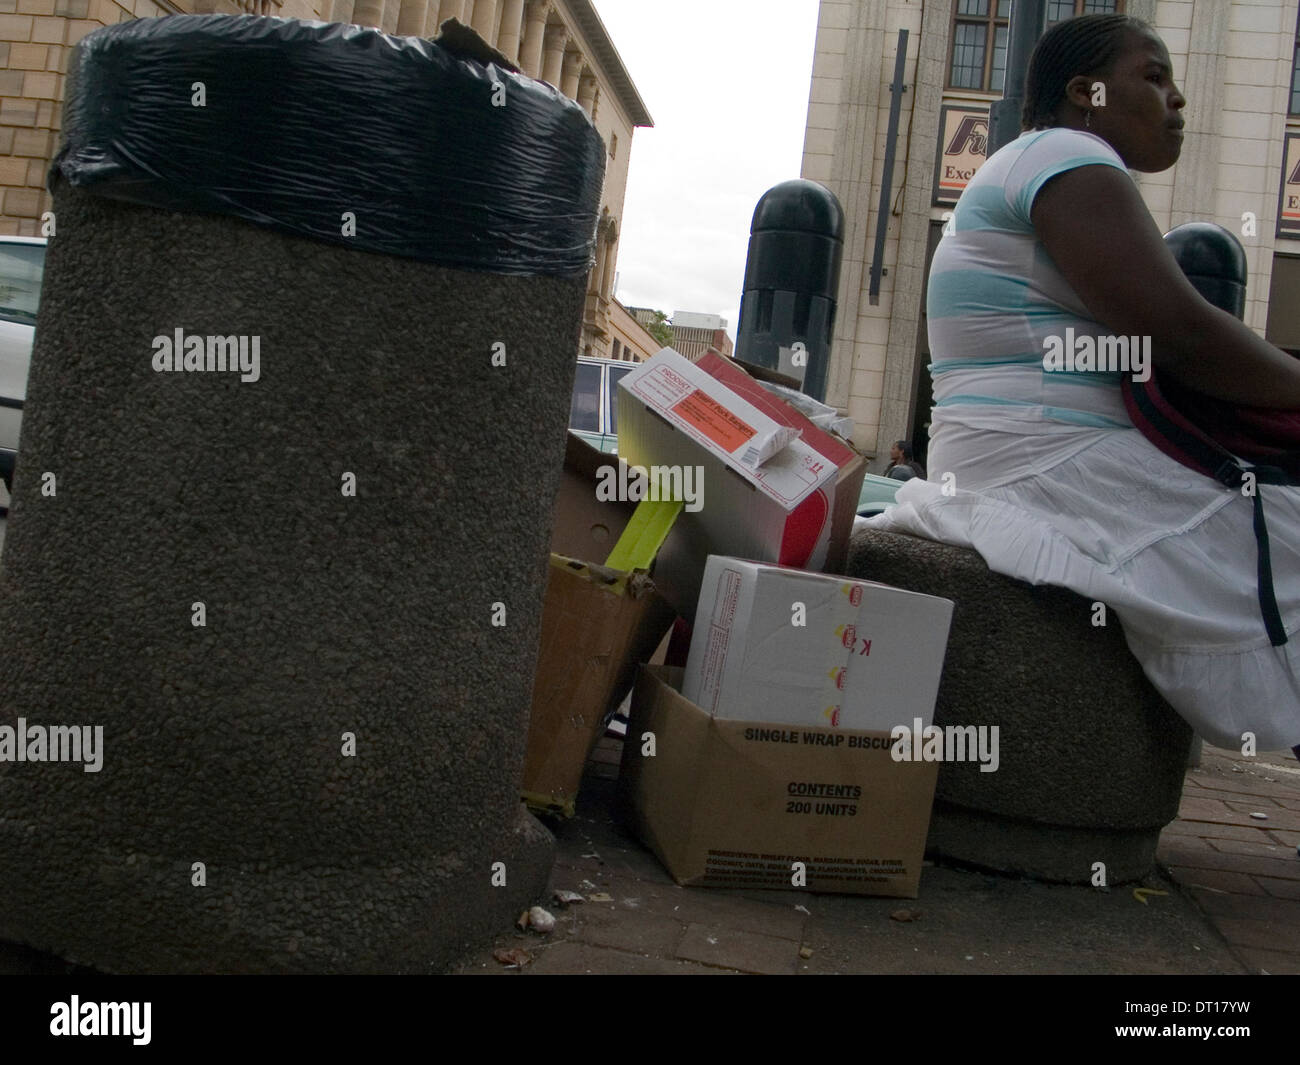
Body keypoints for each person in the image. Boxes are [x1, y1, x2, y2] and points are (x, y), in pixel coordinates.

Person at [865, 14, 1300, 756]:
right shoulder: (1063, 153)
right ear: (1085, 92)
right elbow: (1182, 332)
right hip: (1050, 466)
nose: (1177, 100)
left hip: (1030, 459)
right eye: (1153, 77)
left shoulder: (1039, 164)